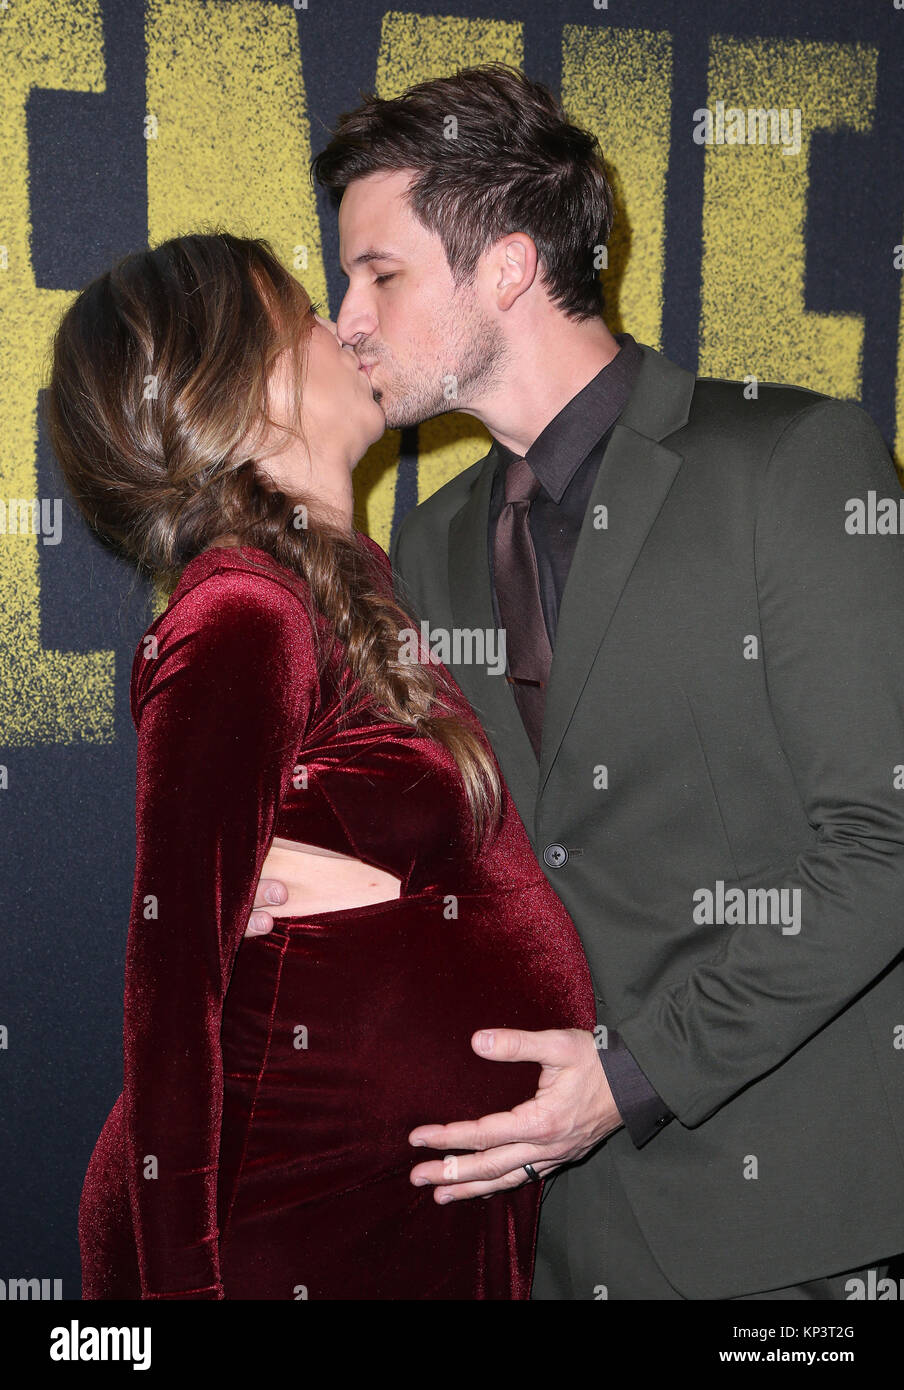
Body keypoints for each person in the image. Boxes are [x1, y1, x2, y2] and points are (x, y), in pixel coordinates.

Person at [249, 64, 904, 1300]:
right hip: (542, 1238)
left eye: (379, 273)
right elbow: (474, 845)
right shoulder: (431, 542)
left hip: (799, 1239)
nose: (347, 316)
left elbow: (885, 839)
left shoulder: (792, 461)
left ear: (505, 266)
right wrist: (295, 887)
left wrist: (632, 1075)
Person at [46, 230, 597, 1300]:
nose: (345, 325)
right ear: (245, 394)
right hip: (276, 1225)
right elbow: (173, 1008)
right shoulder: (241, 612)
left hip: (393, 1215)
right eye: (306, 313)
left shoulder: (348, 583)